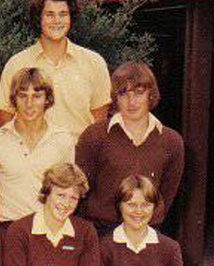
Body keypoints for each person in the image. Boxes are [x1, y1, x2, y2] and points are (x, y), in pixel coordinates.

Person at [75, 62, 184, 232]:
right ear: (115, 98)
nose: (131, 102)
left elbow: (167, 193)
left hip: (148, 232)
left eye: (139, 93)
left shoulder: (171, 141)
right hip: (101, 232)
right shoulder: (94, 135)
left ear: (151, 95)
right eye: (123, 94)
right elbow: (81, 188)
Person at [0, 0, 111, 136]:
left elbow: (99, 122)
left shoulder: (94, 63)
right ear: (39, 18)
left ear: (71, 18)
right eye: (50, 14)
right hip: (33, 156)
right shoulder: (16, 64)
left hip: (79, 156)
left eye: (63, 14)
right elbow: (6, 120)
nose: (57, 20)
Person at [0, 67, 75, 229]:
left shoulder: (63, 140)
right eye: (22, 96)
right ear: (14, 99)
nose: (29, 104)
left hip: (48, 228)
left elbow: (68, 194)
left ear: (47, 99)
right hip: (8, 227)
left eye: (37, 96)